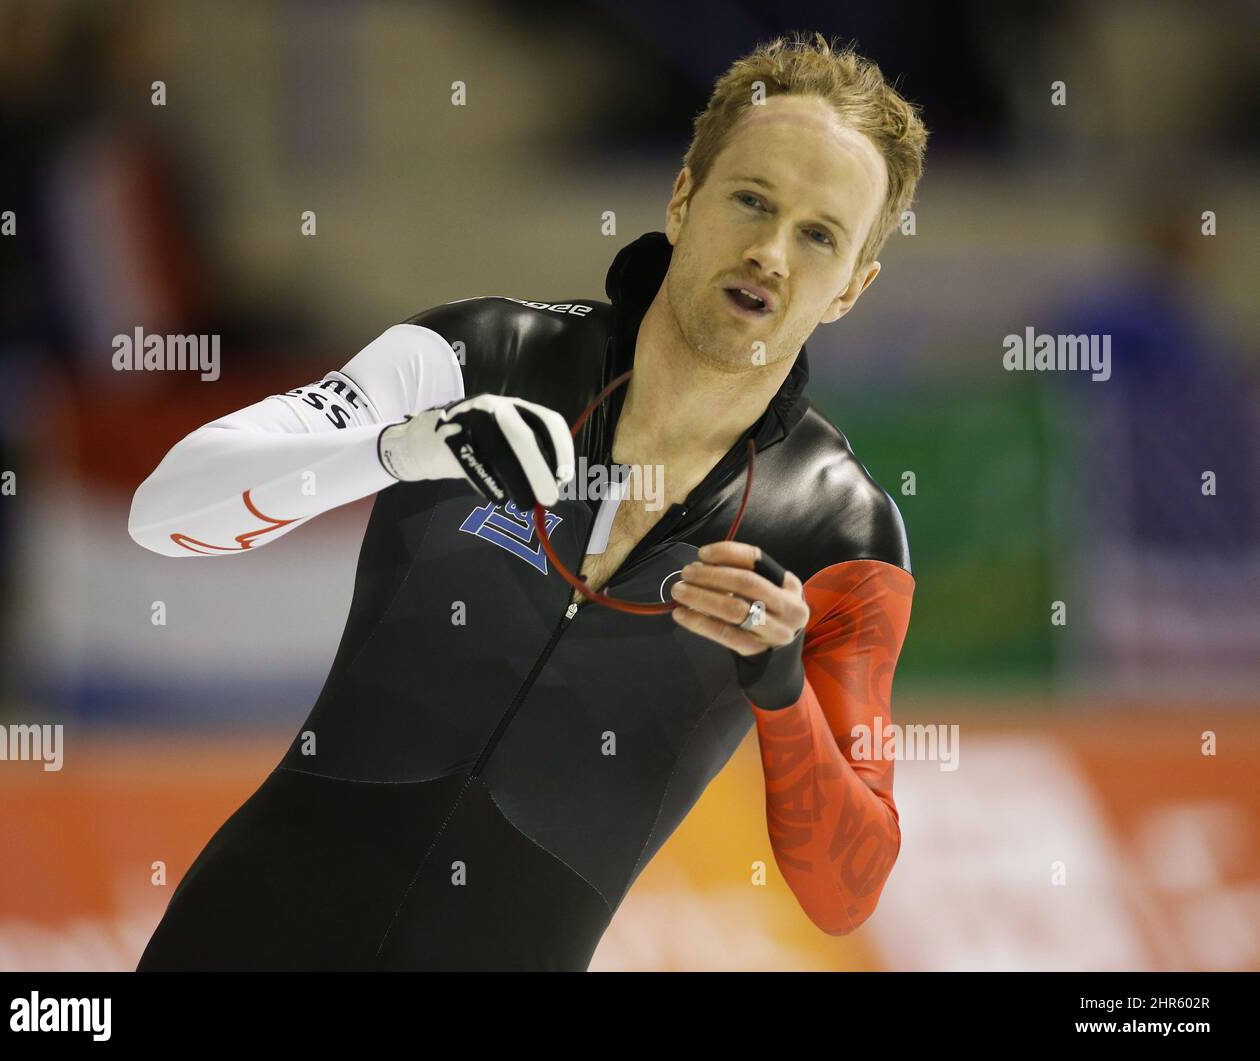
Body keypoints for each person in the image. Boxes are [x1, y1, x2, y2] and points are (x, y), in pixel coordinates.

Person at [129, 32, 927, 971]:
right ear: (683, 196)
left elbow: (848, 890)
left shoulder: (841, 530)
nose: (769, 252)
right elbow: (164, 511)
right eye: (751, 199)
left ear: (852, 288)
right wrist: (404, 446)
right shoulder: (478, 353)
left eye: (818, 234)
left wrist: (782, 687)